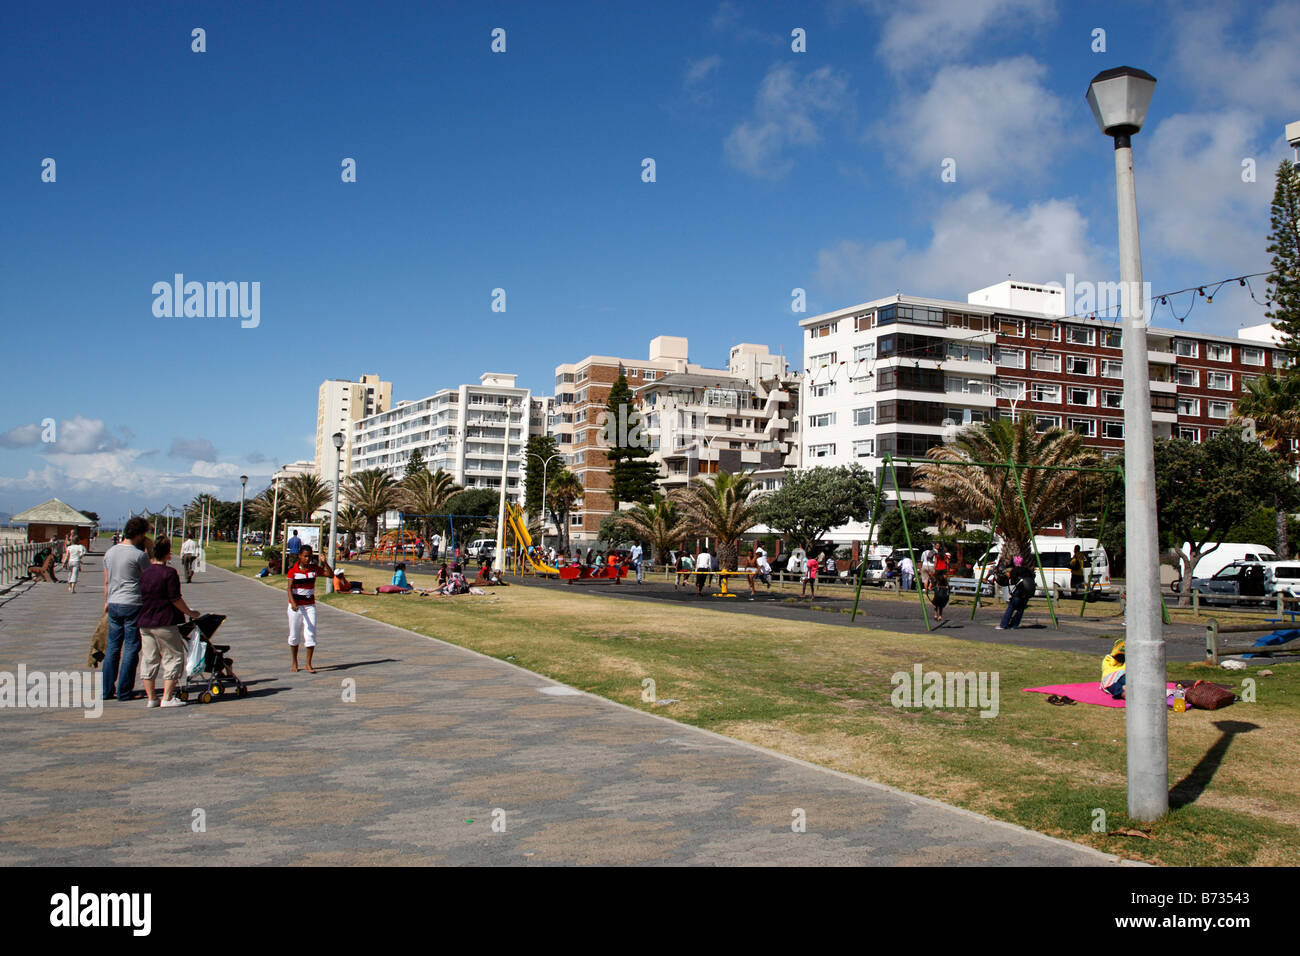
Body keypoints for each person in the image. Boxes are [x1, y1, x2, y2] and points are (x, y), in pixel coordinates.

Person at [138, 537, 199, 708]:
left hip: (145, 621)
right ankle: (167, 696)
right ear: (167, 554)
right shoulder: (169, 573)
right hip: (164, 621)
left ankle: (151, 697)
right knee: (173, 657)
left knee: (149, 659)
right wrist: (190, 612)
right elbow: (175, 599)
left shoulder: (145, 572)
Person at [102, 517, 153, 702]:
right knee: (131, 647)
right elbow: (149, 579)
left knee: (113, 648)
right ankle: (124, 691)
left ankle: (106, 690)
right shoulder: (139, 555)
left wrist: (106, 602)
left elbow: (107, 581)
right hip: (133, 603)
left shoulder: (110, 552)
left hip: (114, 602)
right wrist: (151, 548)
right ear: (140, 534)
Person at [287, 545, 332, 673]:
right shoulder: (293, 570)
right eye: (305, 556)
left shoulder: (313, 569)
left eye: (310, 556)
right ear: (300, 556)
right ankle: (295, 662)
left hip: (309, 605)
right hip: (295, 607)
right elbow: (289, 588)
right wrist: (293, 603)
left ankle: (308, 664)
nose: (308, 559)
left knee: (310, 633)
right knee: (294, 635)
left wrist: (325, 563)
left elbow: (330, 574)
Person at [998, 555, 1035, 630]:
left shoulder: (1015, 570)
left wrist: (1009, 576)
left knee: (1011, 608)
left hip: (1018, 592)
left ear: (1015, 563)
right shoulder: (1027, 570)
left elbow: (1012, 581)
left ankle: (1003, 625)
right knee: (1020, 609)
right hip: (1027, 592)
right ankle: (1014, 625)